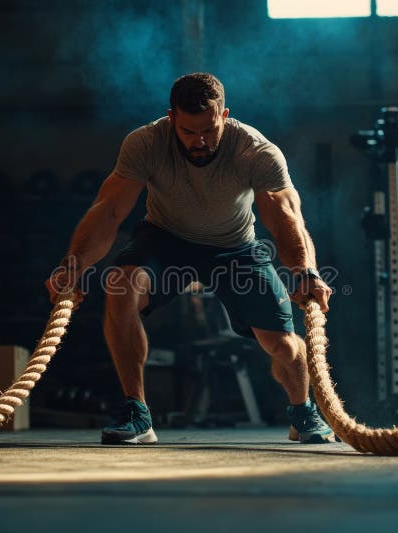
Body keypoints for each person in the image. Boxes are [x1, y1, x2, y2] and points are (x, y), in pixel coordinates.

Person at [47, 73, 333, 445]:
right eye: (188, 132)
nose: (199, 142)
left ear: (224, 115)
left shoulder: (256, 151)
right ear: (171, 118)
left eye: (209, 131)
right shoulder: (145, 143)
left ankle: (302, 410)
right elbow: (108, 211)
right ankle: (137, 411)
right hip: (167, 239)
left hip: (235, 247)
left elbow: (284, 218)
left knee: (282, 344)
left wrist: (306, 272)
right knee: (122, 285)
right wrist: (74, 265)